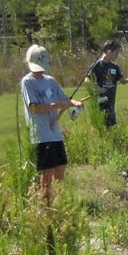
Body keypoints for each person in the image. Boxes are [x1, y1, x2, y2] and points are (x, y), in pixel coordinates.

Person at [21, 44, 84, 203]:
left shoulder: (51, 81)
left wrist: (75, 103)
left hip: (55, 132)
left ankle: (59, 202)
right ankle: (45, 203)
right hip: (41, 133)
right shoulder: (28, 82)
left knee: (61, 166)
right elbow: (34, 107)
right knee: (47, 171)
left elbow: (64, 99)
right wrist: (56, 106)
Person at [83, 39, 128, 128]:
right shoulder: (97, 65)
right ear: (109, 51)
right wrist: (97, 89)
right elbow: (87, 80)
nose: (117, 55)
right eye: (116, 53)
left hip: (111, 104)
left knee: (112, 127)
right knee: (101, 126)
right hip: (99, 103)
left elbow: (123, 81)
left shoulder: (115, 67)